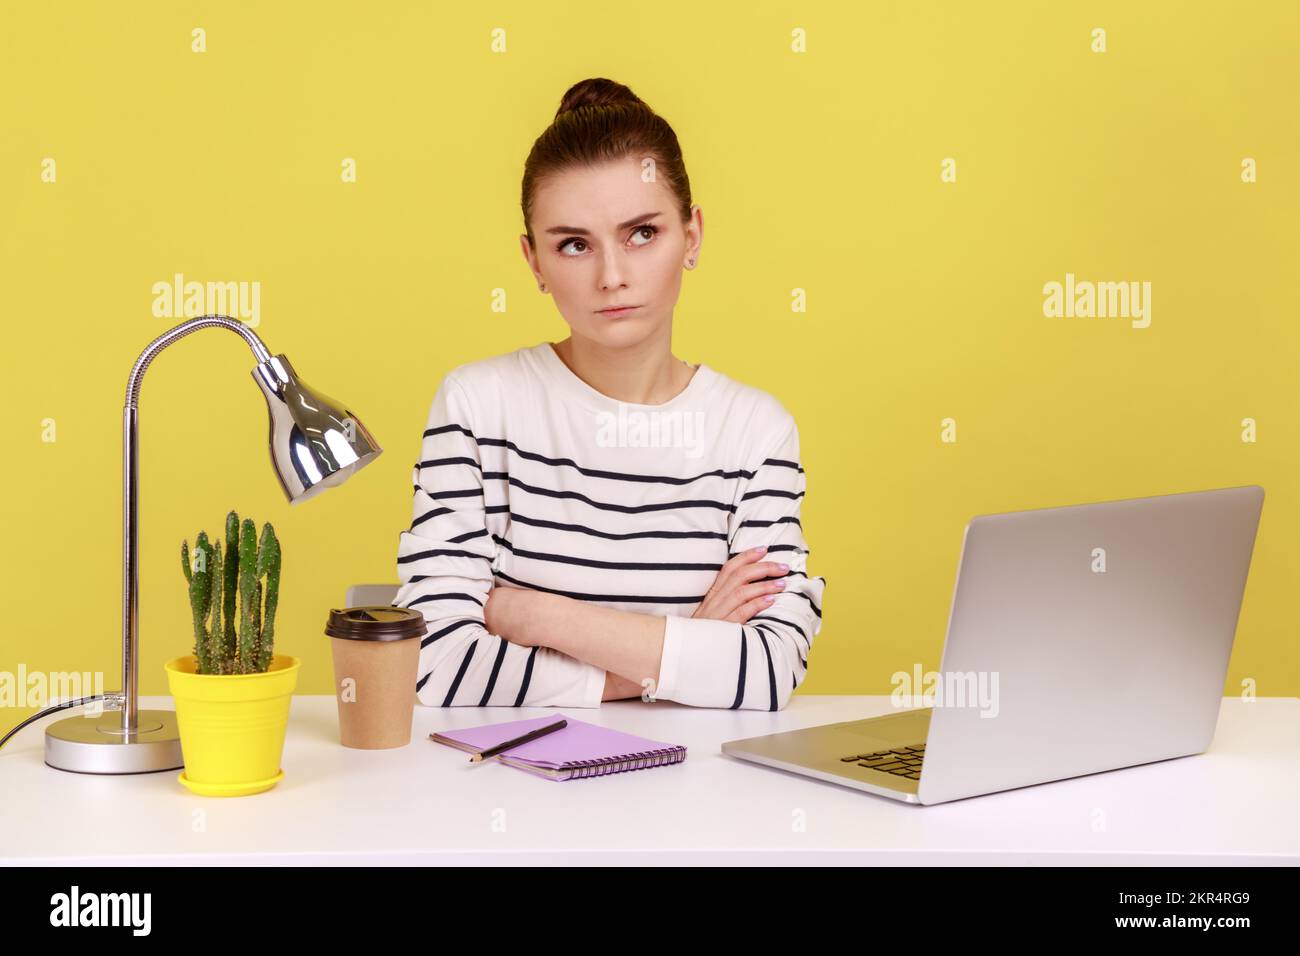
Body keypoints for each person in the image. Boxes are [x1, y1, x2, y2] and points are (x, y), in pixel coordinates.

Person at [394, 77, 826, 710]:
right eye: (574, 244)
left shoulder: (755, 431)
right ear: (534, 263)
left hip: (702, 798)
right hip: (509, 794)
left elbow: (766, 672)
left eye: (642, 233)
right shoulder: (478, 407)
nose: (612, 276)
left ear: (692, 236)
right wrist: (687, 650)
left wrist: (533, 615)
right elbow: (433, 664)